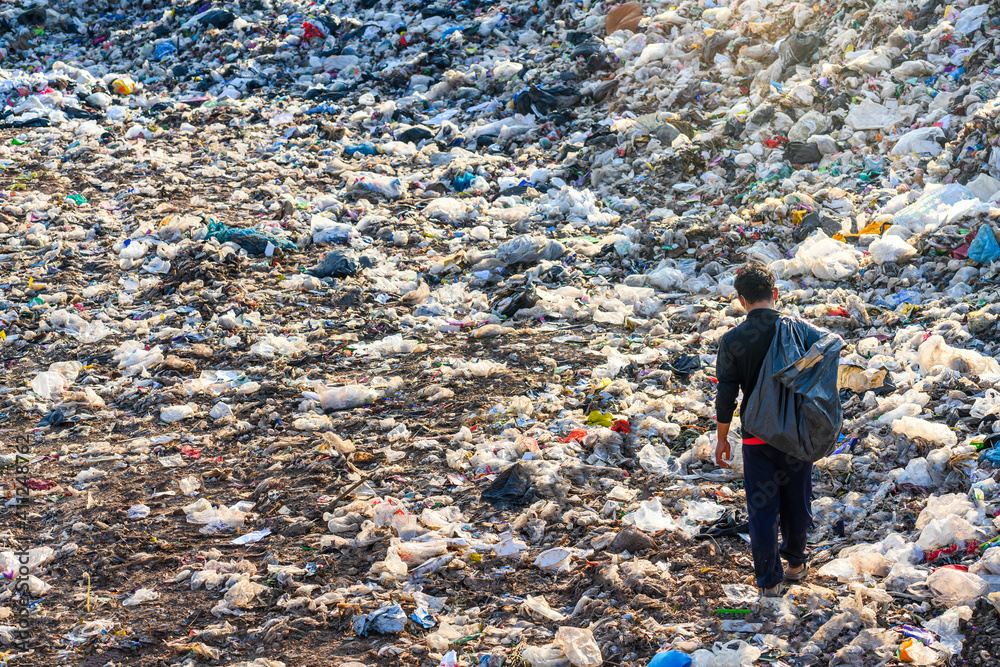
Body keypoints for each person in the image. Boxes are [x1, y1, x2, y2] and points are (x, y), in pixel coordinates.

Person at [714, 261, 812, 597]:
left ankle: (769, 582)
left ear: (740, 300)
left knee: (762, 508)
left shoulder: (733, 341)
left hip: (757, 437)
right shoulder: (798, 329)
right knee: (797, 500)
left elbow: (726, 394)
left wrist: (722, 438)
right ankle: (796, 564)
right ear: (776, 293)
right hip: (796, 436)